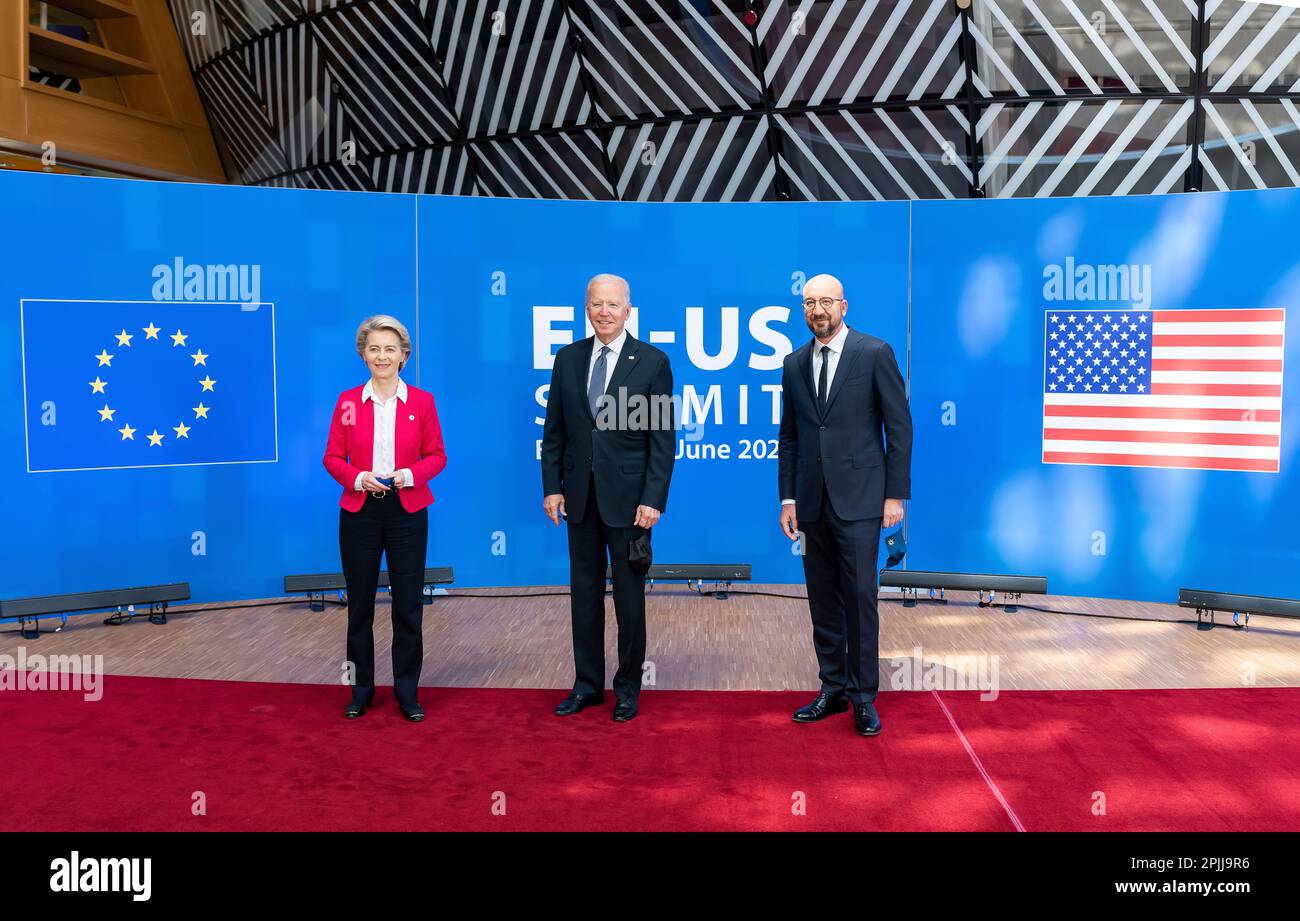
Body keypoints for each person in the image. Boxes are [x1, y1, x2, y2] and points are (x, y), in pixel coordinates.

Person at [778, 274, 912, 737]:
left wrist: (894, 496)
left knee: (859, 600)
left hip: (861, 502)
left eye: (827, 302)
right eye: (809, 302)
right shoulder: (794, 363)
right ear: (803, 310)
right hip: (812, 503)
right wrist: (788, 498)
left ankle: (863, 697)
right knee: (823, 603)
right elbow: (790, 437)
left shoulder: (874, 353)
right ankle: (832, 689)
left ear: (844, 306)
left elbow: (899, 428)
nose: (819, 310)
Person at [541, 274, 675, 722]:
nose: (604, 312)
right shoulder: (568, 359)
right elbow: (554, 432)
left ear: (628, 310)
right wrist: (553, 487)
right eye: (596, 304)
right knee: (584, 596)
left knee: (629, 600)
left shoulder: (653, 362)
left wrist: (653, 499)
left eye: (612, 305)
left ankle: (628, 688)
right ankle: (586, 686)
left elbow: (662, 438)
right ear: (586, 308)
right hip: (579, 500)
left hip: (630, 502)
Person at [323, 315, 446, 722]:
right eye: (374, 348)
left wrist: (409, 475)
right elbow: (332, 458)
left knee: (407, 606)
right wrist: (358, 478)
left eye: (390, 349)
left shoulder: (423, 402)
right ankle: (360, 690)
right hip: (359, 511)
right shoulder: (347, 403)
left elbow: (437, 456)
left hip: (407, 511)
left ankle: (407, 692)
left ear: (404, 356)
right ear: (363, 354)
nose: (382, 356)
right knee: (359, 605)